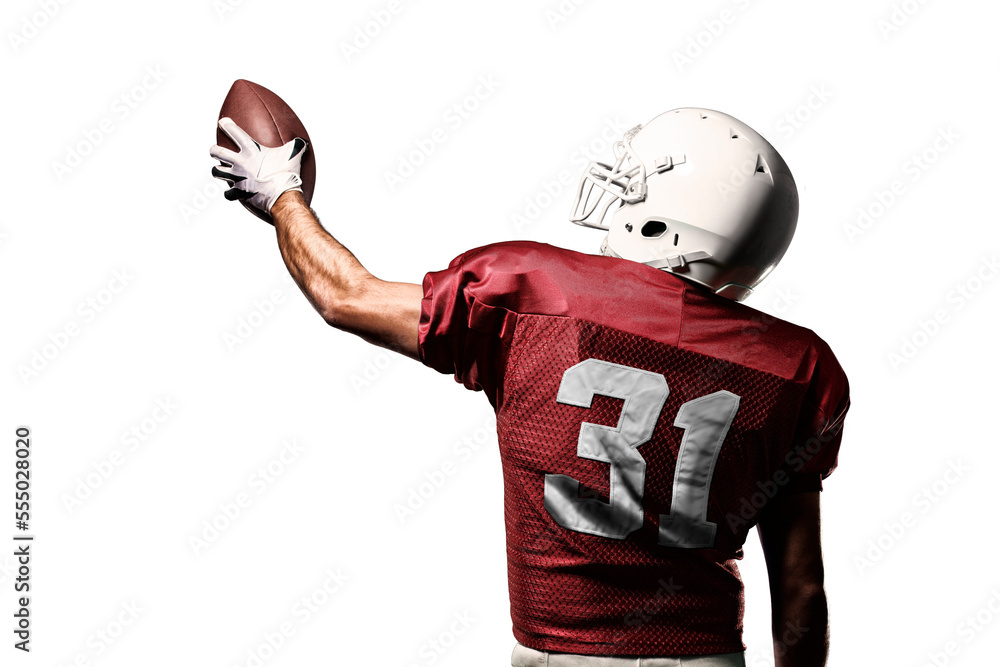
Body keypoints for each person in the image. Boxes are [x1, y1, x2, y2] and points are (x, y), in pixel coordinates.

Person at [210, 107, 850, 667]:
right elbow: (800, 589)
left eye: (633, 188)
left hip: (561, 655)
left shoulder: (533, 295)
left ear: (667, 222)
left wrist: (281, 194)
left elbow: (344, 296)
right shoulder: (798, 367)